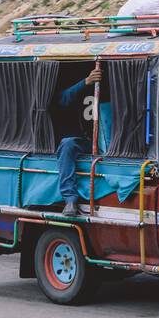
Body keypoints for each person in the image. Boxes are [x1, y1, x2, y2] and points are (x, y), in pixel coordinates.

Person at [53, 64, 101, 216]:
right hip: (85, 140)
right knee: (67, 145)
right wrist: (85, 82)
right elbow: (61, 99)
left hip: (111, 139)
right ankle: (70, 199)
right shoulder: (71, 83)